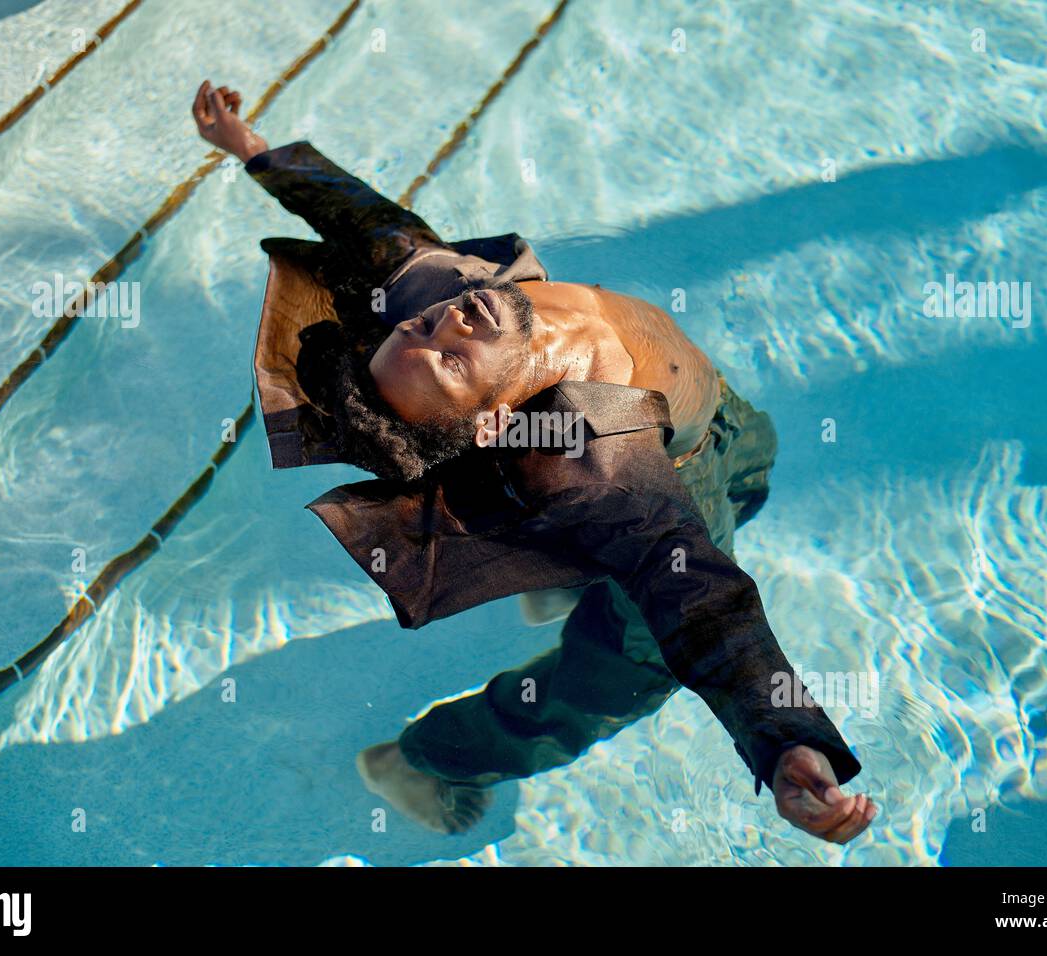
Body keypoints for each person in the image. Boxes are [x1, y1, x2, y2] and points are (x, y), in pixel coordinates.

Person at [194, 80, 877, 844]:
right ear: (494, 418)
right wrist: (785, 736)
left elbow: (366, 220)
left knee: (758, 464)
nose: (455, 320)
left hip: (709, 414)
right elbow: (699, 597)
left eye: (426, 324)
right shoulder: (596, 458)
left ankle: (567, 565)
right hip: (665, 469)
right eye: (453, 360)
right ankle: (427, 761)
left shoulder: (444, 297)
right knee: (620, 680)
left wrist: (252, 150)